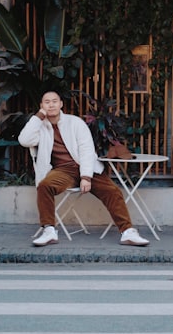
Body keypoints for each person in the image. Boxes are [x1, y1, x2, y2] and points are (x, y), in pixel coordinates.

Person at [18, 90, 150, 247]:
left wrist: (86, 177)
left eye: (54, 101)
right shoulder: (40, 126)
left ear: (61, 104)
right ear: (41, 106)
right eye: (47, 102)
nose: (51, 105)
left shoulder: (75, 123)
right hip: (63, 171)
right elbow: (24, 140)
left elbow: (87, 150)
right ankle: (49, 230)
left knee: (112, 192)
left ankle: (128, 232)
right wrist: (38, 117)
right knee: (44, 186)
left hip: (87, 168)